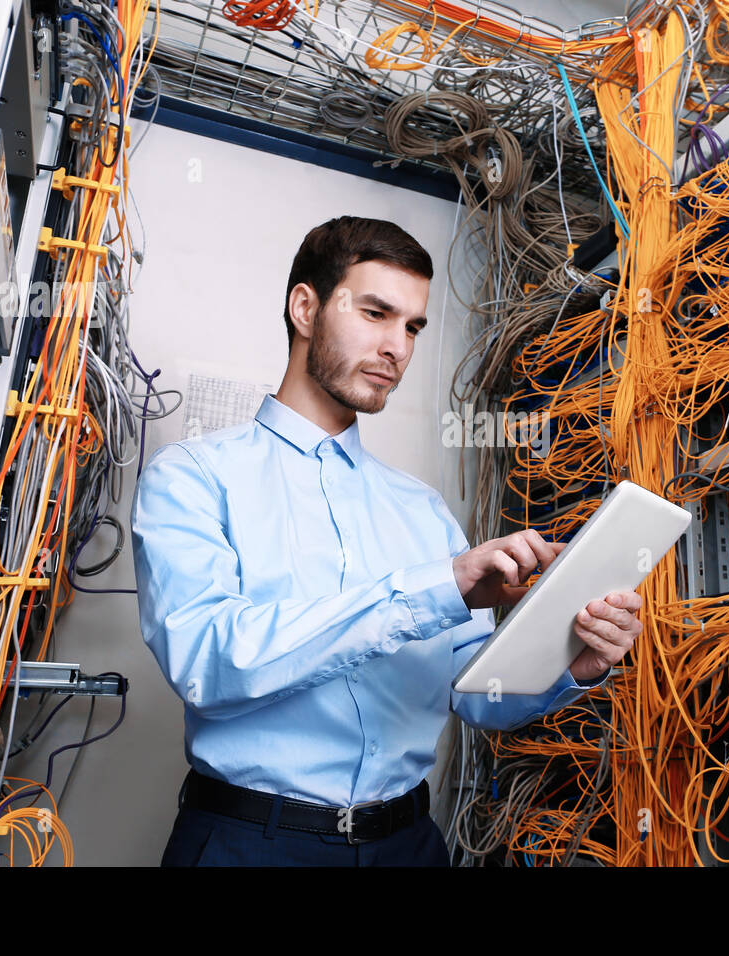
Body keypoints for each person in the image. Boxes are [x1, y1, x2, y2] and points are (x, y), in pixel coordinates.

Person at [130, 215, 643, 866]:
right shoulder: (194, 478)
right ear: (305, 308)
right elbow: (209, 662)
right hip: (253, 844)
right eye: (376, 313)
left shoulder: (421, 511)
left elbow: (472, 694)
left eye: (412, 327)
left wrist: (571, 663)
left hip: (408, 845)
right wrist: (439, 587)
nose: (397, 347)